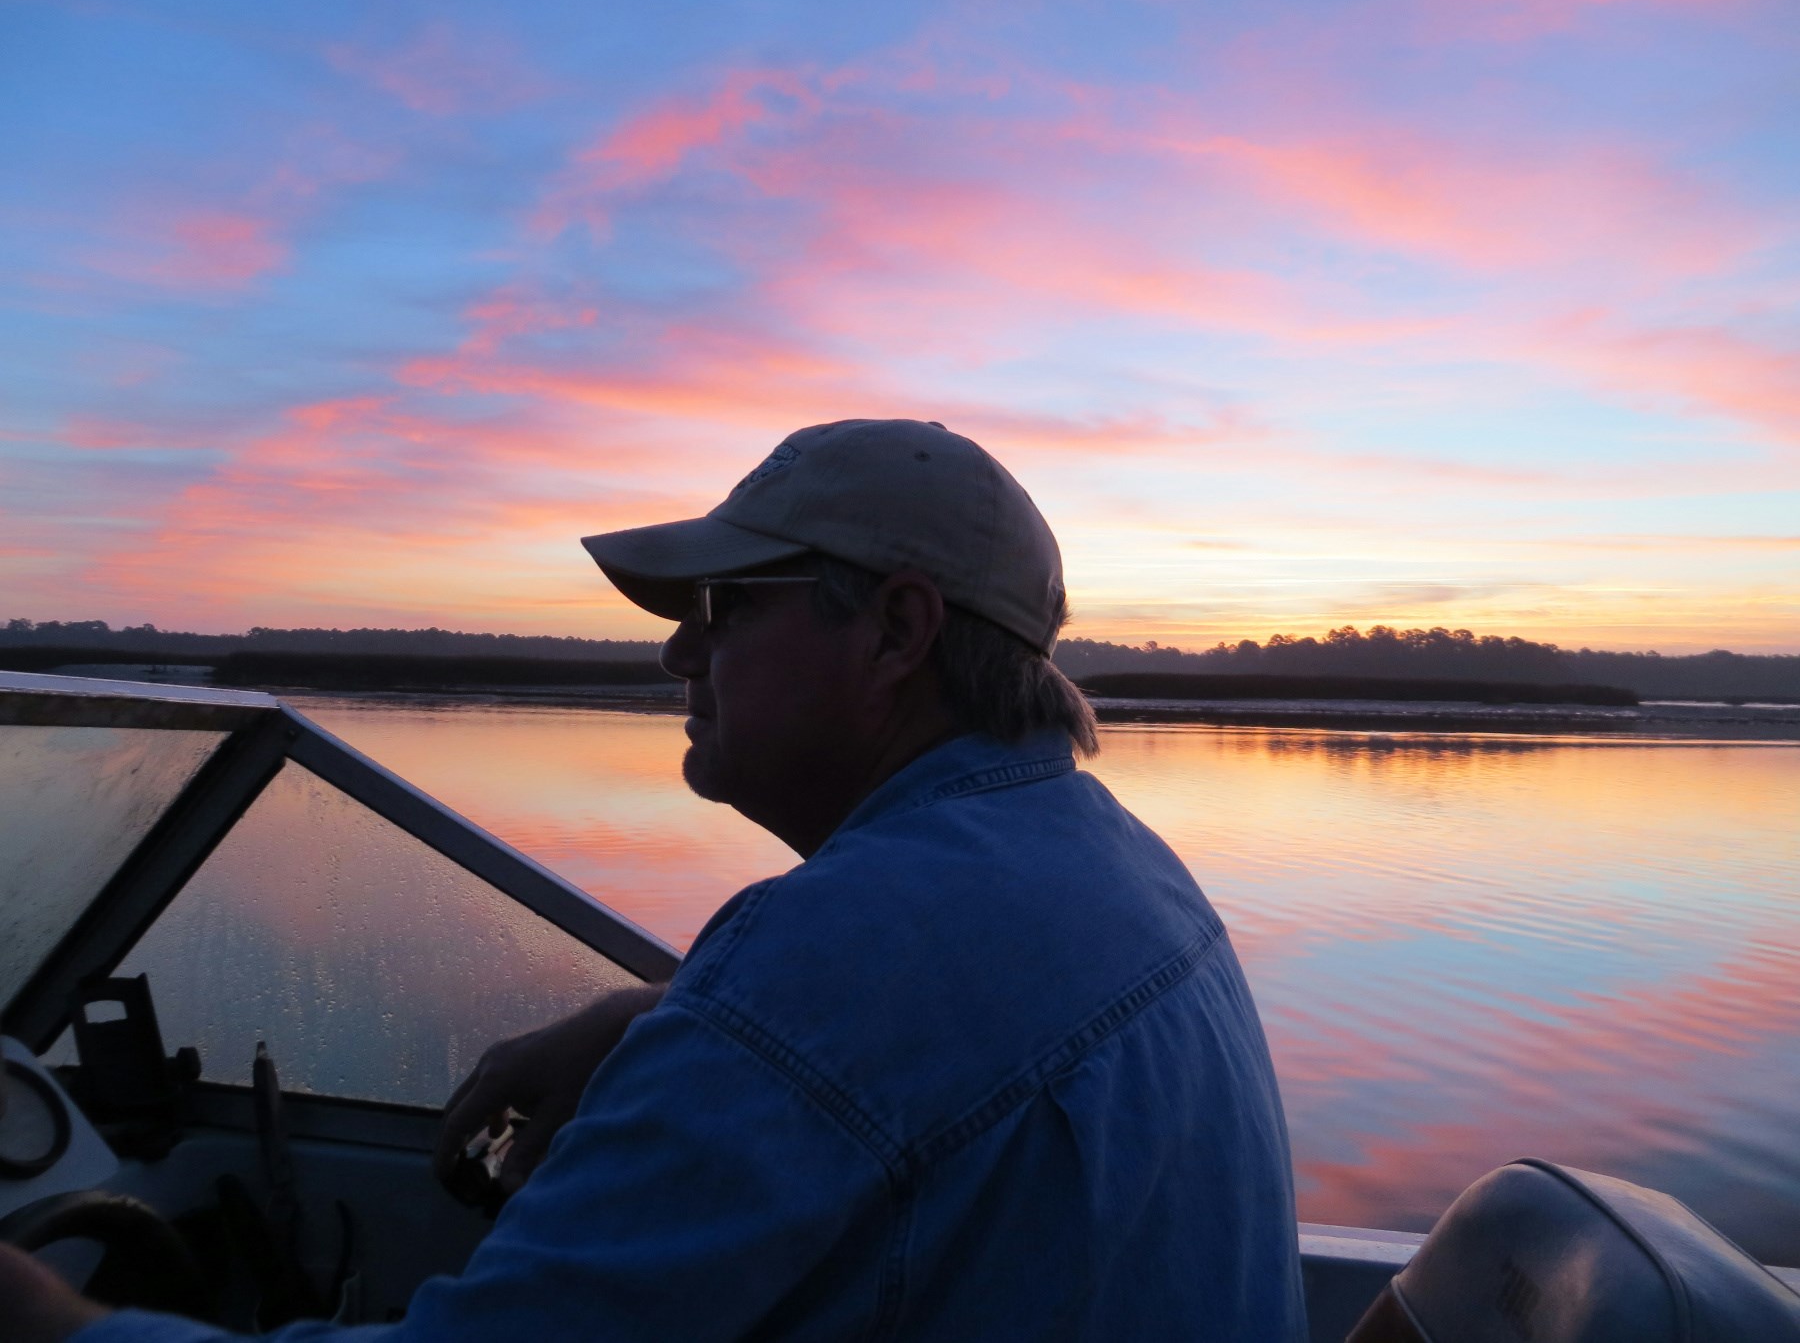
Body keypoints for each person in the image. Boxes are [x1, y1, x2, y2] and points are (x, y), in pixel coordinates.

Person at [0, 418, 1306, 1341]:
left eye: (723, 606)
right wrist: (665, 1015)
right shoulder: (1117, 865)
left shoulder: (840, 954)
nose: (679, 655)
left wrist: (61, 1323)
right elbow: (930, 1031)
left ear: (897, 631)